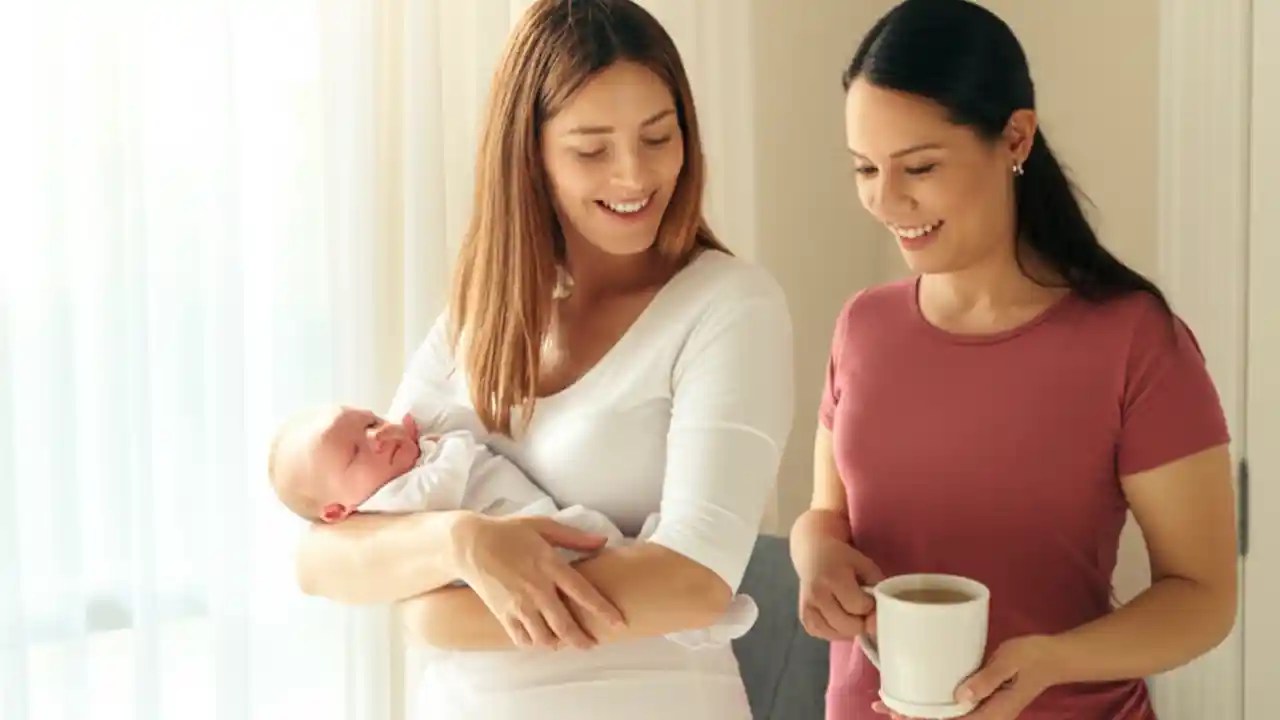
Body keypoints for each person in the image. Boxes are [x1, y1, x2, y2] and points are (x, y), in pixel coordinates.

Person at [292, 1, 795, 718]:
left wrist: (437, 614)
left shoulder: (729, 306)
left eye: (659, 136)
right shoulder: (482, 314)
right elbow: (323, 557)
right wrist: (461, 542)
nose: (634, 176)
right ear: (530, 154)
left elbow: (693, 581)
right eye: (592, 149)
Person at [789, 1, 1238, 719]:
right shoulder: (862, 326)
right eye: (865, 168)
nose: (886, 198)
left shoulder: (1135, 342)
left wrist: (1052, 660)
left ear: (1015, 138)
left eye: (921, 166)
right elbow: (828, 514)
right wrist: (812, 558)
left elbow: (1203, 597)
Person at [266, 404, 760, 648]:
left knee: (617, 557)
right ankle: (694, 627)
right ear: (337, 512)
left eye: (372, 421)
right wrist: (443, 446)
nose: (378, 437)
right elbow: (313, 565)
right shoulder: (398, 499)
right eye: (356, 452)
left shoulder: (401, 471)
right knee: (594, 556)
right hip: (534, 552)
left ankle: (693, 622)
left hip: (539, 545)